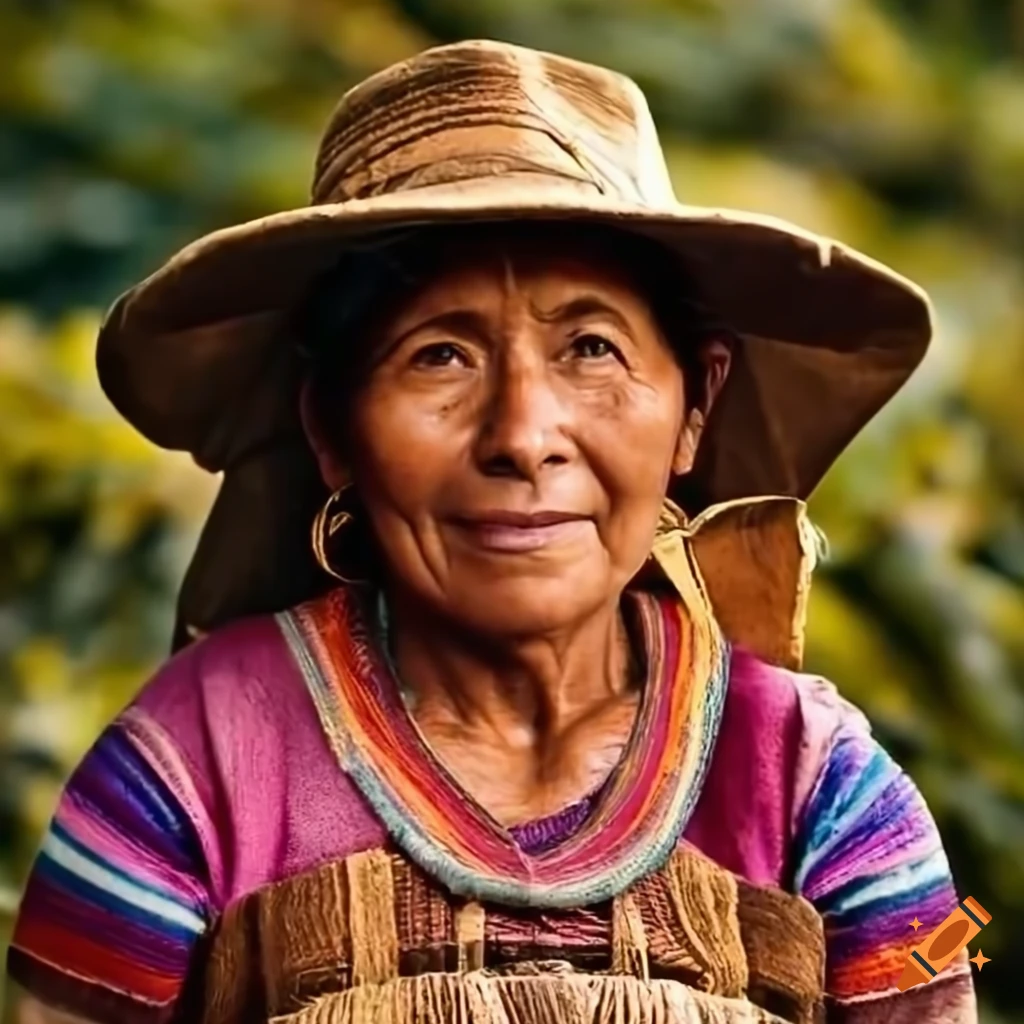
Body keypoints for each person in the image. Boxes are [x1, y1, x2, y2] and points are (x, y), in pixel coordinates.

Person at [6, 39, 976, 1024]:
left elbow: (938, 969)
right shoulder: (192, 760)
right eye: (439, 356)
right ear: (331, 428)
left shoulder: (819, 782)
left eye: (591, 349)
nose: (521, 436)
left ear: (695, 407)